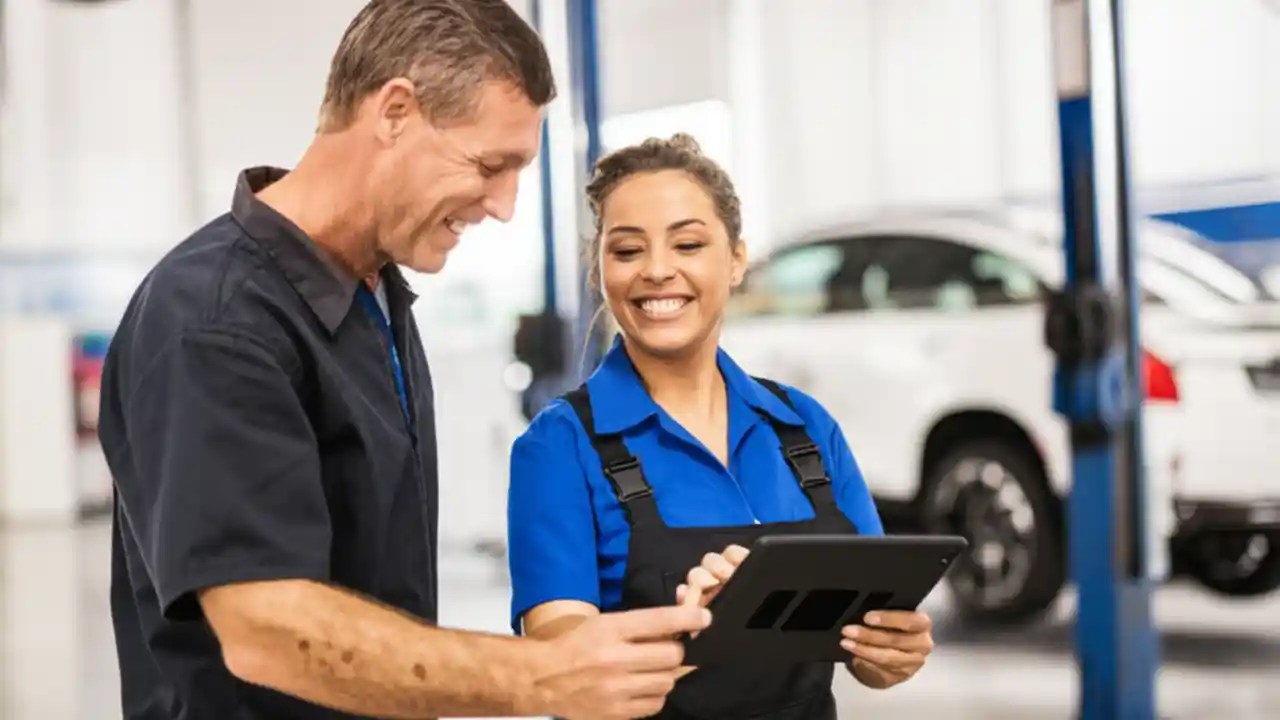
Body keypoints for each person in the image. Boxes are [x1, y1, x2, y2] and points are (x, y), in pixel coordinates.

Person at [97, 2, 710, 719]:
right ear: (395, 112)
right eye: (490, 166)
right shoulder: (215, 321)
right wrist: (542, 675)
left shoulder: (374, 292)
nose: (505, 206)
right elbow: (265, 627)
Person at [506, 134, 937, 719]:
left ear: (735, 260)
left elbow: (873, 632)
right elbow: (560, 659)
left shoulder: (805, 430)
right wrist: (703, 629)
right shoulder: (559, 446)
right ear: (599, 269)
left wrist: (890, 654)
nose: (658, 271)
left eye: (687, 244)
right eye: (627, 250)